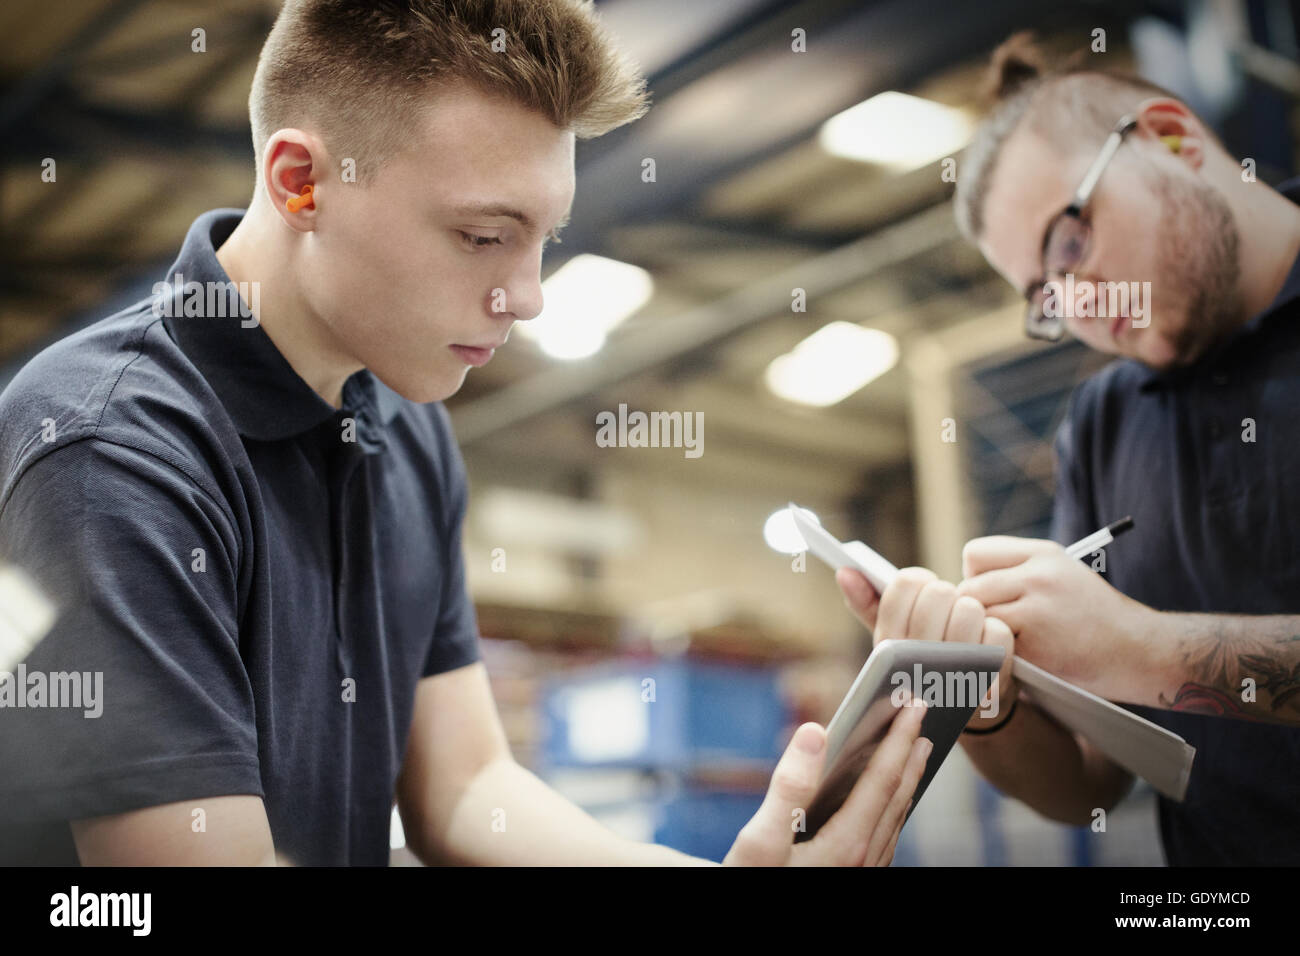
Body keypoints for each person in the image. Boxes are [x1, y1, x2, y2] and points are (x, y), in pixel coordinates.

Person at [0, 0, 947, 867]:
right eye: (483, 237)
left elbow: (466, 791)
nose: (527, 296)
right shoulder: (110, 453)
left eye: (546, 238)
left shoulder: (408, 428)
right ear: (300, 183)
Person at [838, 34, 1300, 865]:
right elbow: (1089, 780)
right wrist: (983, 699)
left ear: (1171, 137)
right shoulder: (1105, 424)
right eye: (1044, 297)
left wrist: (1136, 648)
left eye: (1070, 246)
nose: (1077, 307)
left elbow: (1131, 652)